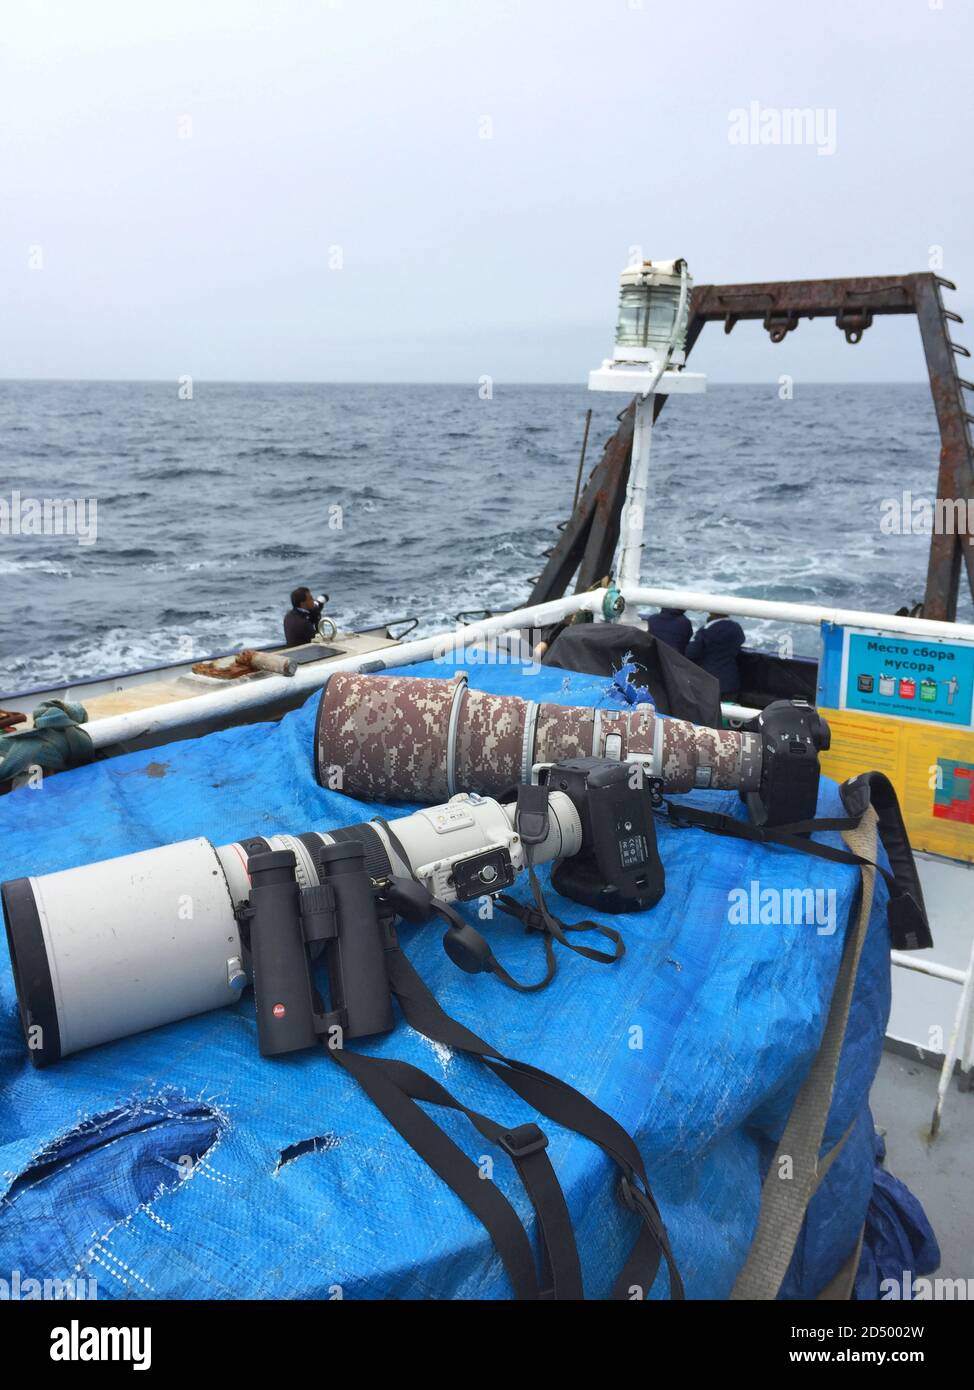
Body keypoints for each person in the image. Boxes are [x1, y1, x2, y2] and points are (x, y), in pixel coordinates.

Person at [685, 612, 746, 700]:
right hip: (730, 682)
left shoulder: (705, 630)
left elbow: (691, 653)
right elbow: (741, 641)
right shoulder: (737, 628)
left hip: (708, 681)